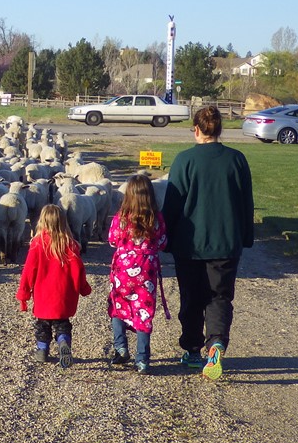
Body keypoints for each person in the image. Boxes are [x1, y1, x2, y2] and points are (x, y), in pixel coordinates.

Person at [162, 105, 254, 380]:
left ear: (197, 129)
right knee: (220, 296)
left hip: (189, 245)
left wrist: (165, 237)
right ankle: (216, 343)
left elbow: (173, 204)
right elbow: (245, 203)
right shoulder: (236, 160)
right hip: (225, 243)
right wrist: (246, 235)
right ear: (219, 129)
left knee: (191, 296)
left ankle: (191, 349)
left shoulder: (184, 160)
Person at [16, 204, 93, 368]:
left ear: (42, 222)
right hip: (64, 296)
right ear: (63, 222)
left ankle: (42, 351)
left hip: (43, 295)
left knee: (43, 325)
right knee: (62, 324)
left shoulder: (38, 244)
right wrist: (84, 288)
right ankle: (63, 342)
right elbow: (78, 269)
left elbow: (29, 270)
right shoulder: (70, 245)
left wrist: (24, 294)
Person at [108, 174, 170, 374]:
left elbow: (111, 239)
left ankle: (121, 348)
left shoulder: (121, 217)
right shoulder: (156, 217)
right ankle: (142, 360)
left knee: (118, 306)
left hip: (123, 272)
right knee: (143, 312)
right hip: (147, 270)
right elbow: (162, 243)